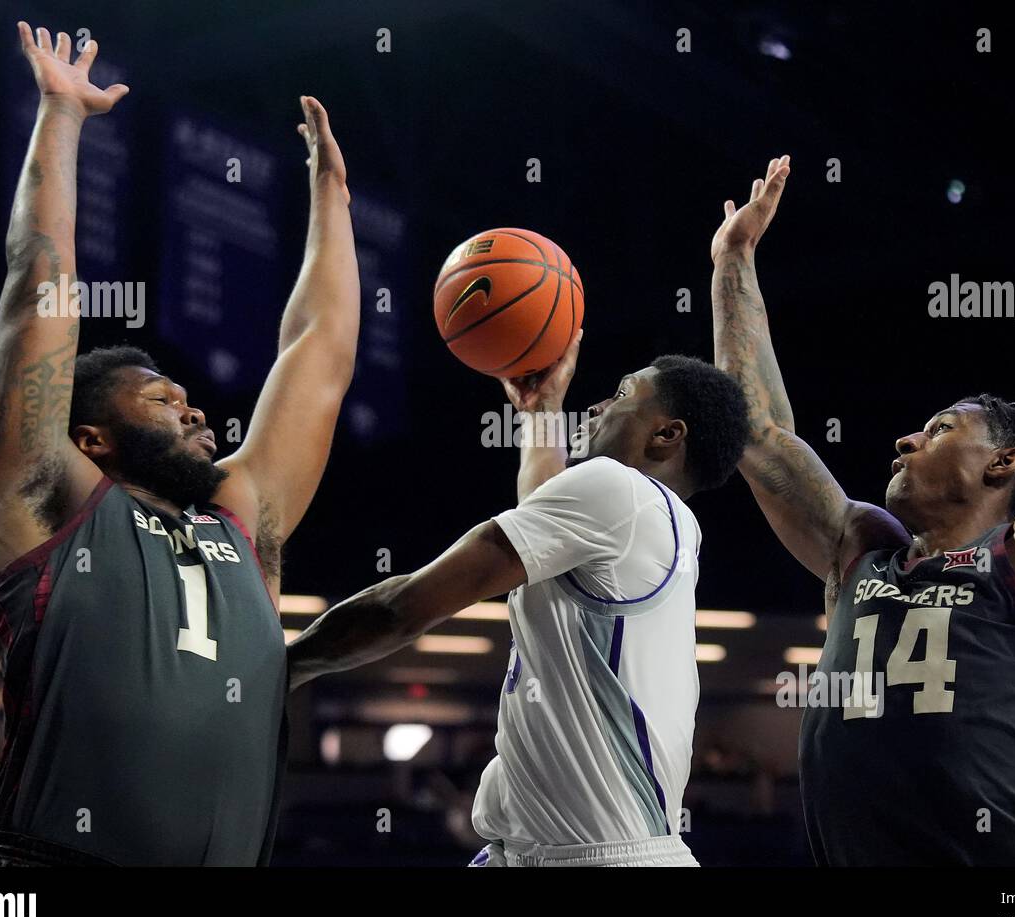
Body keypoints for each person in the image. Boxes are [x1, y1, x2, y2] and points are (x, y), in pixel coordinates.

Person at [712, 153, 1015, 864]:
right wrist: (733, 261)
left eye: (939, 429)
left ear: (1004, 461)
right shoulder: (859, 548)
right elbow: (755, 431)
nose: (904, 440)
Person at [0, 23, 360, 865]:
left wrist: (332, 200)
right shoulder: (52, 497)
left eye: (188, 399)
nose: (194, 412)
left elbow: (319, 355)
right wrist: (62, 117)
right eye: (162, 398)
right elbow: (39, 284)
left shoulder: (240, 521)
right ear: (88, 436)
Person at [288, 336, 751, 866]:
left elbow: (405, 605)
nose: (599, 404)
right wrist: (542, 412)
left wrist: (283, 669)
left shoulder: (616, 491)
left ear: (667, 434)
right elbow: (542, 514)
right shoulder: (656, 521)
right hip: (561, 852)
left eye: (623, 394)